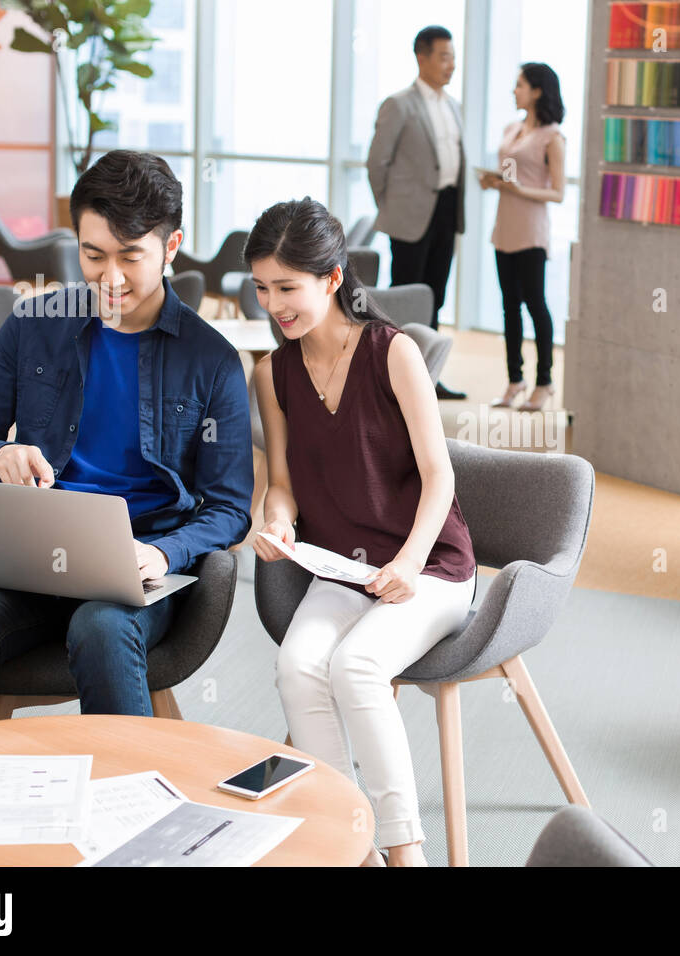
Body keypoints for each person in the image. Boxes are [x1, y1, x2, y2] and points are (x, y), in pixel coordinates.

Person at [0, 150, 254, 730]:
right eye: (93, 255)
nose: (111, 278)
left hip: (137, 560)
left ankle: (129, 806)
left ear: (171, 247)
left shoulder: (212, 361)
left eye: (132, 257)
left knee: (100, 626)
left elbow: (228, 508)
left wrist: (163, 554)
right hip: (26, 552)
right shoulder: (32, 324)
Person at [248, 197, 477, 868]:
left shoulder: (393, 352)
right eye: (262, 288)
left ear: (332, 278)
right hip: (342, 565)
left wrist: (406, 565)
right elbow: (282, 480)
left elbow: (439, 478)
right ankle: (343, 844)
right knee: (296, 666)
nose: (274, 305)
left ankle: (405, 855)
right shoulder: (273, 371)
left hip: (430, 566)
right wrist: (277, 518)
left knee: (356, 666)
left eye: (286, 287)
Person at [365, 24, 467, 401]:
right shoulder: (399, 104)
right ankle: (392, 376)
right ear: (421, 57)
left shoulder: (453, 106)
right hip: (408, 215)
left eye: (454, 58)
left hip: (446, 210)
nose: (451, 65)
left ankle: (428, 375)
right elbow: (377, 163)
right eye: (444, 57)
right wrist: (389, 206)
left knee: (434, 296)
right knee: (405, 297)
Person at [482, 62, 566, 412]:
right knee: (509, 307)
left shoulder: (553, 136)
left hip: (531, 232)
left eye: (520, 85)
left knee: (535, 305)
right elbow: (509, 174)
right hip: (504, 228)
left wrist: (519, 189)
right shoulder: (511, 128)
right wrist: (495, 182)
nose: (514, 91)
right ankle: (515, 379)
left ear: (537, 91)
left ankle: (544, 382)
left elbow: (558, 193)